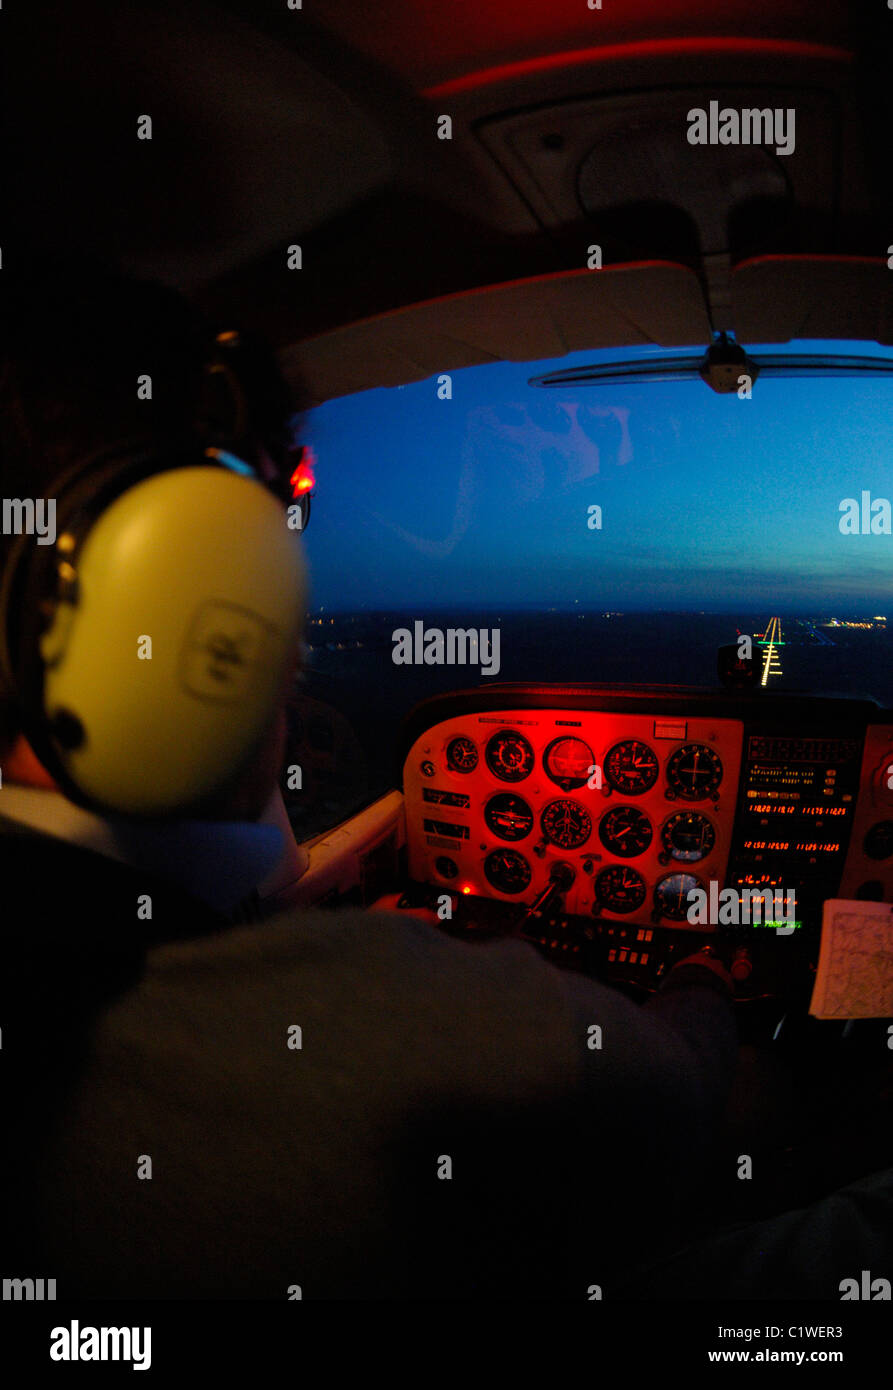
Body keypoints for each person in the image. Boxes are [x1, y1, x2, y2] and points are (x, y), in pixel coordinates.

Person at [0, 264, 739, 1299]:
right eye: (267, 535)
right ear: (170, 586)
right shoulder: (409, 1055)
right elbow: (677, 1104)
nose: (286, 628)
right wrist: (705, 978)